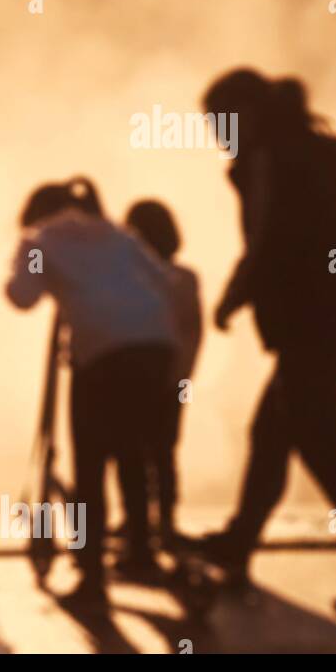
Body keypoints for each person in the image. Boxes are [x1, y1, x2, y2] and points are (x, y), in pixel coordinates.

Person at [197, 68, 336, 620]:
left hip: (316, 325)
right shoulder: (300, 152)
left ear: (246, 115)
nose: (217, 135)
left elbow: (270, 241)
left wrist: (235, 294)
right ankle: (237, 544)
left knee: (322, 449)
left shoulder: (270, 158)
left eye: (219, 122)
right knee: (273, 434)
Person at [6, 178, 176, 606]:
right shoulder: (117, 232)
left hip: (102, 354)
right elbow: (162, 277)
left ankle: (92, 577)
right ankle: (141, 552)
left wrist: (35, 278)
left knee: (91, 462)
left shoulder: (39, 239)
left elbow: (22, 296)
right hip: (155, 345)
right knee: (132, 452)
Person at [125, 200, 202, 547]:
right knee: (162, 453)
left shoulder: (141, 279)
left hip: (152, 377)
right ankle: (161, 523)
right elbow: (193, 332)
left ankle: (142, 522)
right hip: (174, 377)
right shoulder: (184, 279)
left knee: (140, 453)